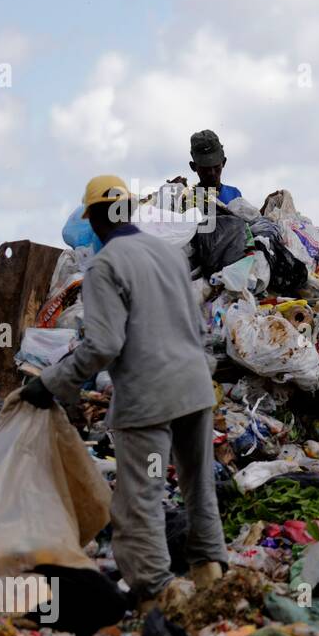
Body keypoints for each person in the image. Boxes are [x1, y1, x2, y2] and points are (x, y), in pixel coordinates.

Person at [21, 175, 227, 608]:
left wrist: (52, 383)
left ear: (94, 218)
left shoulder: (104, 266)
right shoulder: (169, 255)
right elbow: (198, 325)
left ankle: (157, 591)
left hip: (150, 400)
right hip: (194, 389)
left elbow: (103, 345)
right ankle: (212, 576)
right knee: (198, 487)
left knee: (141, 498)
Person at [187, 129, 243, 206]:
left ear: (223, 162)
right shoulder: (187, 198)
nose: (211, 172)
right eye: (205, 168)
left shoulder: (234, 196)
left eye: (216, 166)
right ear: (193, 167)